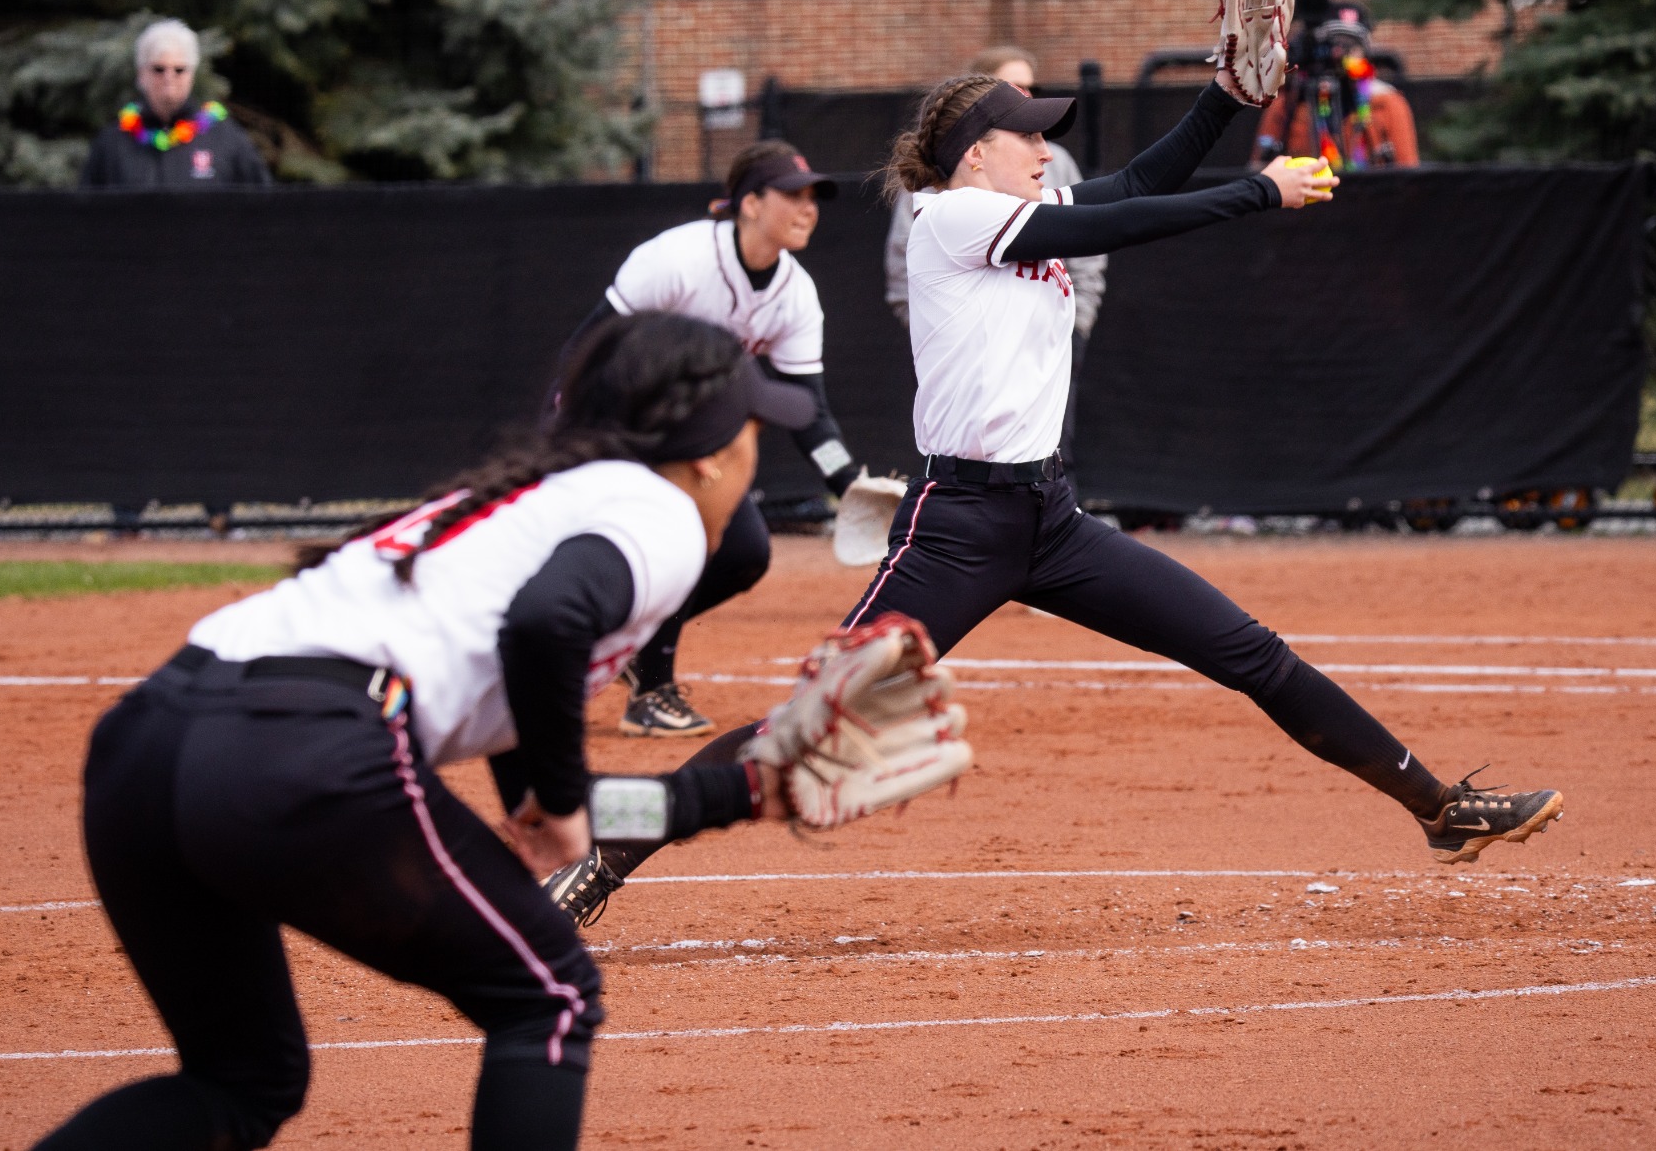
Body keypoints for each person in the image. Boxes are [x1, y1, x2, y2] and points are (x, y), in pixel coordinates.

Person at [547, 65, 1561, 923]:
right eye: (1025, 136)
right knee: (797, 731)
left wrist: (1218, 101)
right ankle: (609, 847)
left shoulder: (1017, 208)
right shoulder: (949, 216)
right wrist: (1257, 191)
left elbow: (1133, 180)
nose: (1044, 150)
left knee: (1248, 651)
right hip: (956, 532)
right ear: (970, 153)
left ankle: (1435, 806)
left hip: (1051, 521)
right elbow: (1127, 215)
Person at [31, 314, 833, 1151]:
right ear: (706, 453)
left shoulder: (528, 506)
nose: (754, 452)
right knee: (549, 998)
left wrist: (734, 790)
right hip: (300, 747)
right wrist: (561, 801)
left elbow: (560, 812)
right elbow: (548, 628)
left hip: (147, 740)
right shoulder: (658, 510)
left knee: (243, 1077)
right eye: (750, 429)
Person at [559, 140, 866, 739]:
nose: (809, 209)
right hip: (623, 425)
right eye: (793, 196)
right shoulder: (677, 259)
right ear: (750, 203)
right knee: (674, 541)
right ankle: (647, 684)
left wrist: (847, 481)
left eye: (814, 198)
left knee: (743, 552)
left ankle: (630, 647)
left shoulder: (796, 295)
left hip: (698, 443)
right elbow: (589, 349)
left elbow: (810, 411)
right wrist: (567, 442)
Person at [885, 45, 1105, 476]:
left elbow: (1101, 225)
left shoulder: (1050, 163)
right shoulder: (947, 206)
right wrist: (1257, 192)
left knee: (1054, 457)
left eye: (1031, 87)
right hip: (973, 463)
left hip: (1048, 334)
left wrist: (1220, 101)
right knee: (990, 466)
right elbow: (904, 269)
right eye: (1012, 87)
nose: (1026, 96)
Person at [79, 18, 272, 188]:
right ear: (141, 73)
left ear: (192, 75)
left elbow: (261, 207)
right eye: (158, 69)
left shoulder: (227, 139)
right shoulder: (113, 143)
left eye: (179, 70)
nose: (169, 77)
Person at [1250, 17, 1419, 171]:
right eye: (1332, 47)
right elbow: (1260, 173)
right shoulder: (1290, 102)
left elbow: (1407, 174)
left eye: (1351, 48)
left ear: (1365, 54)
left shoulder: (1386, 101)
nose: (1339, 56)